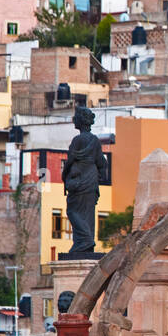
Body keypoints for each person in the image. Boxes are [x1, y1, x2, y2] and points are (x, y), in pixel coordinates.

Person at [62, 106, 108, 256]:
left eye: (75, 117)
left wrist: (65, 174)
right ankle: (82, 244)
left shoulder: (78, 140)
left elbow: (70, 160)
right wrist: (100, 176)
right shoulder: (95, 140)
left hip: (79, 178)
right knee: (88, 213)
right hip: (91, 179)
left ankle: (86, 240)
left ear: (80, 121)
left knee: (73, 210)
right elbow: (101, 162)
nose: (73, 119)